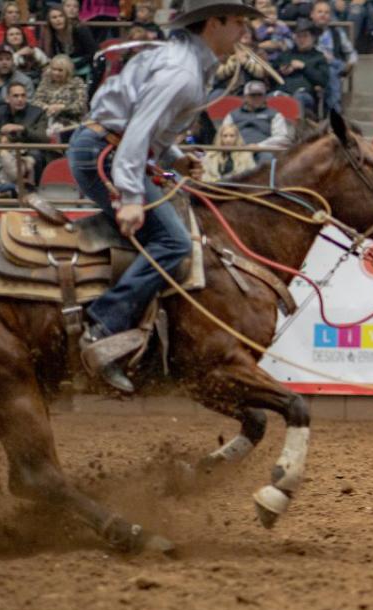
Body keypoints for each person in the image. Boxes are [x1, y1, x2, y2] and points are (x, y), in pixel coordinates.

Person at [66, 0, 260, 393]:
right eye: (238, 22)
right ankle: (103, 325)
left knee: (172, 230)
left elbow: (150, 128)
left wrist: (174, 157)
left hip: (108, 146)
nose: (245, 31)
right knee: (172, 241)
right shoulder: (183, 72)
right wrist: (132, 195)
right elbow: (138, 131)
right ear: (213, 23)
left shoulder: (188, 64)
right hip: (104, 153)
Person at [222, 80, 293, 163]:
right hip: (238, 149)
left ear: (264, 97)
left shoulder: (275, 114)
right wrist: (239, 147)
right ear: (245, 97)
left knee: (267, 157)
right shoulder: (232, 115)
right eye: (252, 95)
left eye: (259, 95)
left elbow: (282, 138)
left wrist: (259, 146)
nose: (256, 98)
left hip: (263, 150)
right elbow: (223, 135)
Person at [274, 19, 328, 117]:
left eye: (305, 36)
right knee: (271, 97)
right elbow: (272, 72)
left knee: (298, 98)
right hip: (282, 92)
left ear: (313, 37)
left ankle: (296, 129)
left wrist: (304, 67)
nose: (301, 39)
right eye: (299, 36)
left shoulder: (319, 57)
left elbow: (323, 80)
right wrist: (281, 71)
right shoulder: (285, 55)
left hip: (304, 94)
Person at [311, 1, 356, 113]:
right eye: (319, 12)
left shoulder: (337, 33)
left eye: (326, 12)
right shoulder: (306, 32)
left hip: (332, 65)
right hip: (313, 67)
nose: (323, 15)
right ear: (312, 14)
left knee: (332, 70)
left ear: (330, 16)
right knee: (331, 71)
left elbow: (351, 52)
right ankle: (335, 111)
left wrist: (351, 63)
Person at [32, 54, 88, 140]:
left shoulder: (77, 83)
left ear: (68, 71)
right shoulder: (46, 82)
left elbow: (80, 106)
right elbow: (35, 101)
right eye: (53, 69)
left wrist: (62, 107)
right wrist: (47, 107)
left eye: (60, 70)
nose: (56, 73)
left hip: (71, 123)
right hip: (47, 121)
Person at [41, 4, 97, 80]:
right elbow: (52, 56)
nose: (58, 20)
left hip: (83, 67)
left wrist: (72, 65)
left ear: (65, 18)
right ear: (50, 21)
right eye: (54, 17)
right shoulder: (51, 35)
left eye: (61, 16)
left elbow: (92, 52)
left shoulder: (80, 29)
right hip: (61, 69)